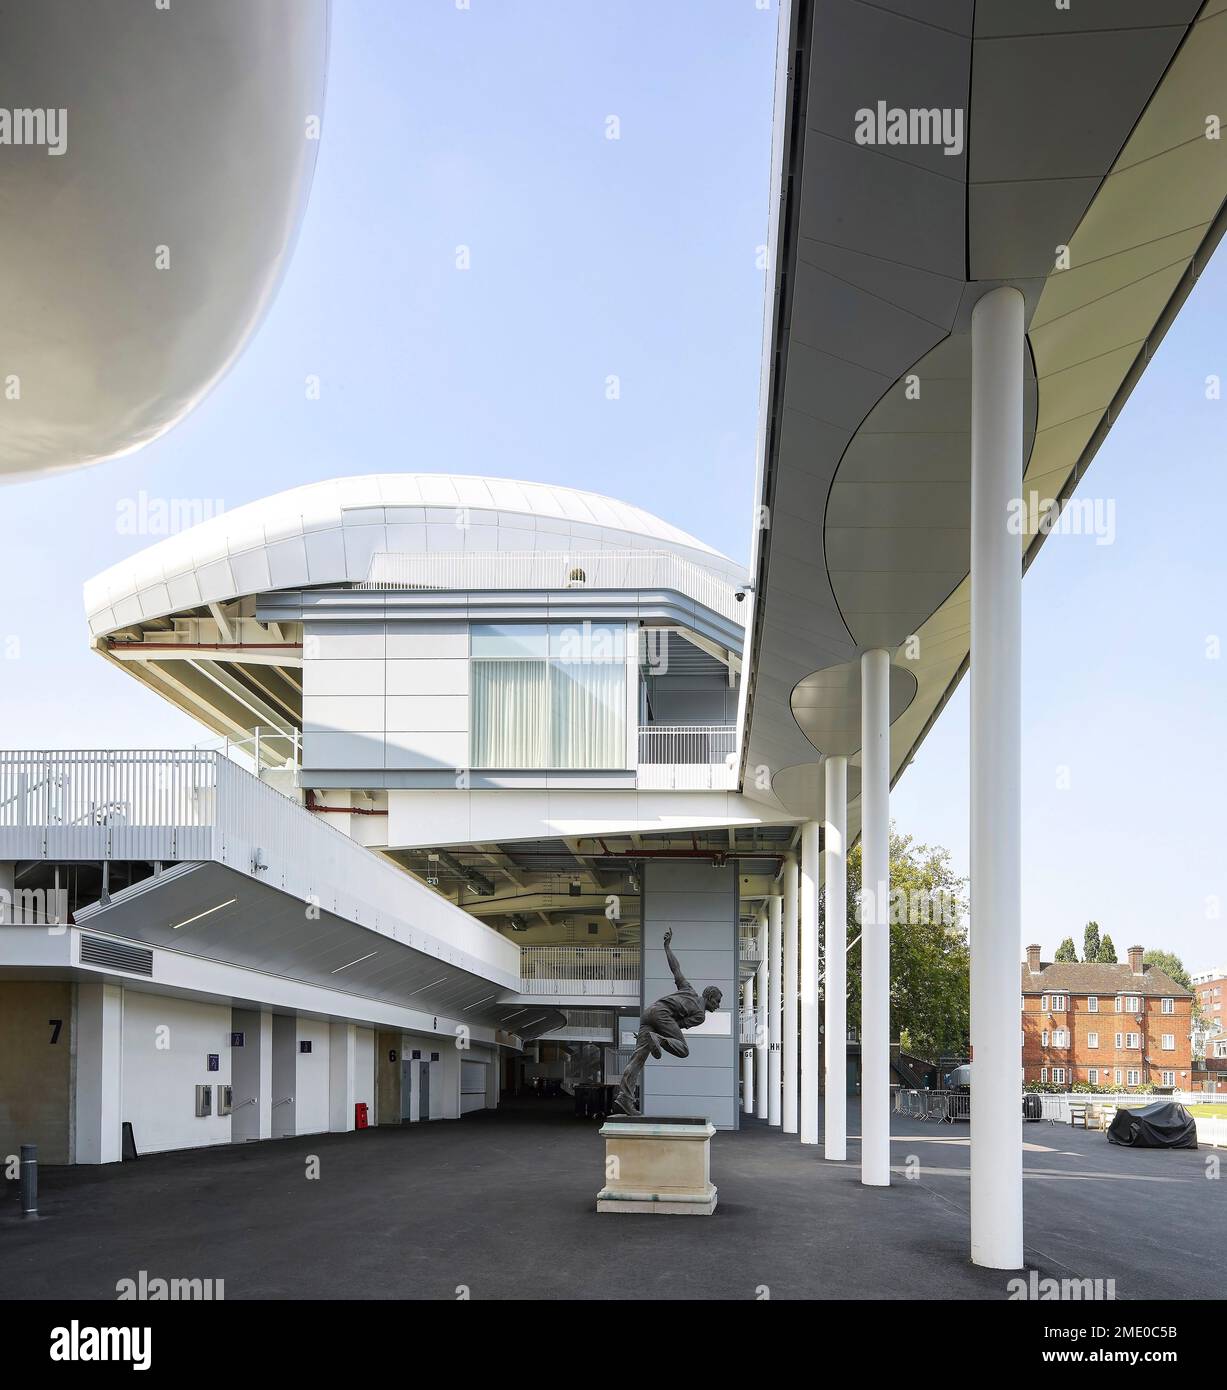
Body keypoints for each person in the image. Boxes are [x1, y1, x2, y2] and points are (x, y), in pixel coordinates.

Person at [613, 927, 723, 1116]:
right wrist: (659, 1038)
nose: (718, 1006)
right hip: (662, 1016)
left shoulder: (688, 989)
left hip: (649, 1013)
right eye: (717, 1001)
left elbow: (676, 969)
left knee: (637, 1060)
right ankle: (656, 1039)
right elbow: (675, 1028)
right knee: (683, 1049)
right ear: (710, 996)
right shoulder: (700, 1015)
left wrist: (666, 947)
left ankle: (624, 1098)